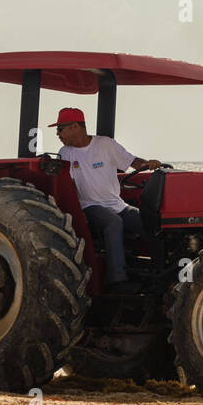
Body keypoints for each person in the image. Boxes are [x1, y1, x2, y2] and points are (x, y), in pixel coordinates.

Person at [50, 107, 162, 292]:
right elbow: (65, 183)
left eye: (60, 128)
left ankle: (159, 273)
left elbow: (131, 161)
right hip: (89, 206)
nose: (58, 134)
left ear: (75, 126)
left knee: (149, 222)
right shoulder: (66, 153)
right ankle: (116, 280)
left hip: (117, 204)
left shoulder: (105, 144)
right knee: (113, 222)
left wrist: (149, 163)